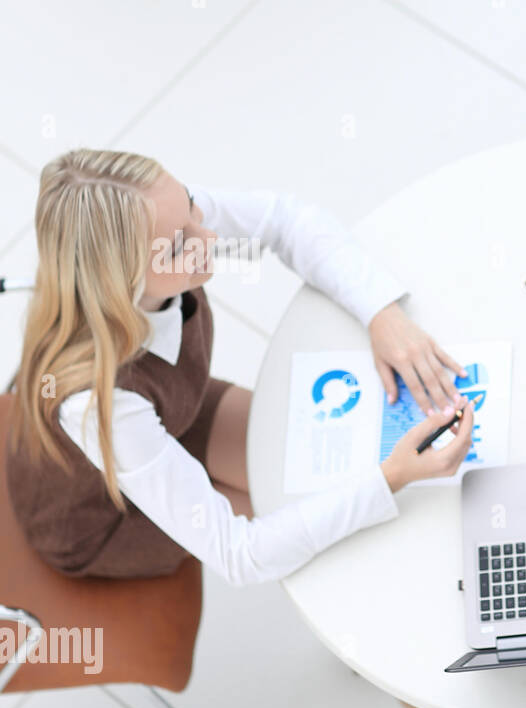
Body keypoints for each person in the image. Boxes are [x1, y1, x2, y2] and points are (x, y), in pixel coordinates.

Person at [6, 148, 474, 586]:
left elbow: (284, 221)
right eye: (177, 247)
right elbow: (241, 555)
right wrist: (392, 477)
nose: (208, 239)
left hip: (172, 415)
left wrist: (381, 313)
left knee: (331, 480)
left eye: (192, 206)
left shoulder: (164, 218)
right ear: (117, 281)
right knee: (322, 523)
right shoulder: (100, 401)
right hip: (100, 517)